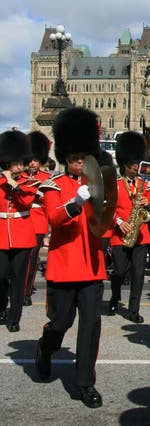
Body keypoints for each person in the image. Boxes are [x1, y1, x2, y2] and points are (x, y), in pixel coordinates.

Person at [35, 108, 108, 408]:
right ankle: (45, 347)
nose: (80, 161)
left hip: (92, 266)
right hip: (64, 267)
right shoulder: (53, 186)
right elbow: (53, 217)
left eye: (84, 156)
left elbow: (106, 222)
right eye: (75, 157)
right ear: (66, 157)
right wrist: (75, 203)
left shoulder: (99, 184)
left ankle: (85, 383)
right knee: (60, 323)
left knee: (90, 325)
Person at [108, 131, 150, 323]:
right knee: (119, 271)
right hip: (120, 233)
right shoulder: (115, 184)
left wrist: (146, 204)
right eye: (133, 165)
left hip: (140, 234)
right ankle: (115, 296)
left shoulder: (144, 185)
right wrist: (119, 222)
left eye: (137, 164)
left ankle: (134, 309)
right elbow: (107, 209)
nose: (136, 167)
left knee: (138, 273)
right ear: (125, 164)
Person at [0, 131, 37, 332]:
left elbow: (26, 201)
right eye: (15, 163)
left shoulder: (28, 183)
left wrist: (13, 183)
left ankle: (14, 318)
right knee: (1, 275)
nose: (19, 166)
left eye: (21, 163)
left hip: (22, 235)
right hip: (1, 236)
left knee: (18, 279)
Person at [23, 130, 52, 306]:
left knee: (32, 258)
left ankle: (26, 291)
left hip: (39, 220)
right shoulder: (19, 177)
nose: (33, 163)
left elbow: (49, 202)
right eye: (31, 160)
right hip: (22, 220)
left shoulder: (46, 178)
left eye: (36, 160)